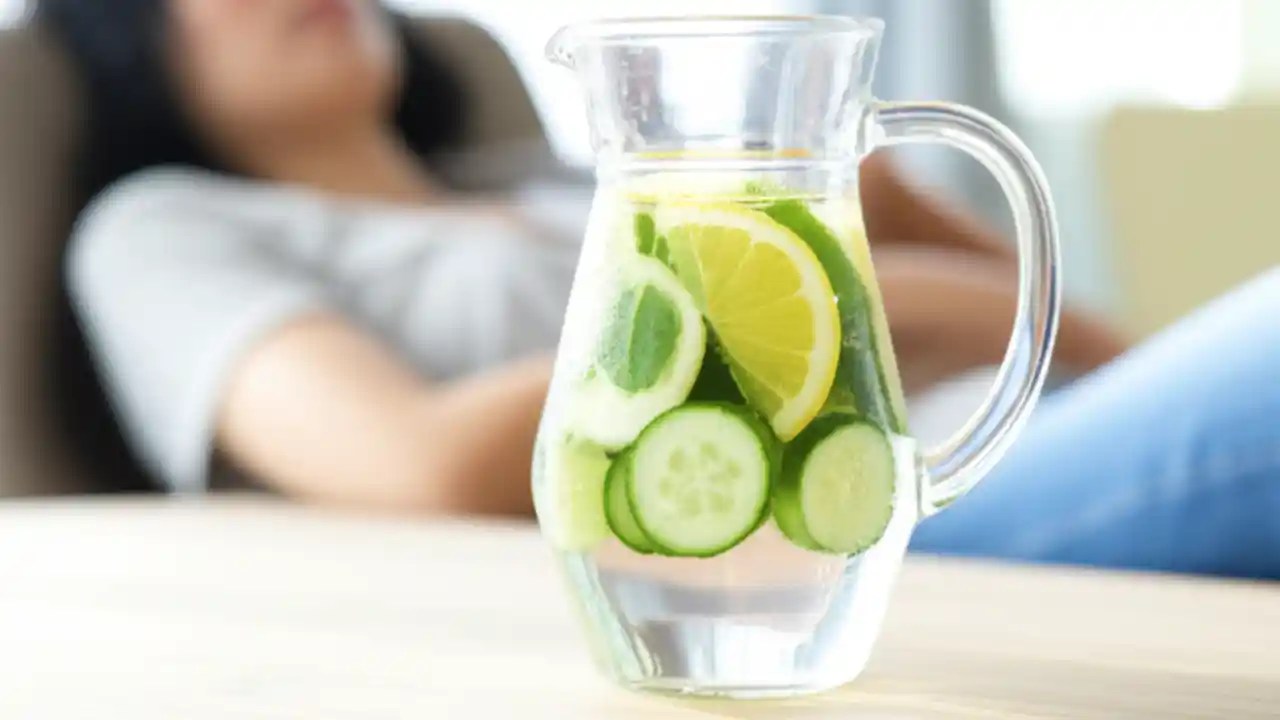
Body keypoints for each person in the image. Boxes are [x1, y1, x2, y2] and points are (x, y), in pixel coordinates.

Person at [48, 1, 1273, 580]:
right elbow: (412, 465)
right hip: (843, 528)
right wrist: (898, 291)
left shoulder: (554, 175)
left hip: (1023, 446)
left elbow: (1087, 348)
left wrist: (901, 221)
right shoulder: (160, 226)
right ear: (131, 38)